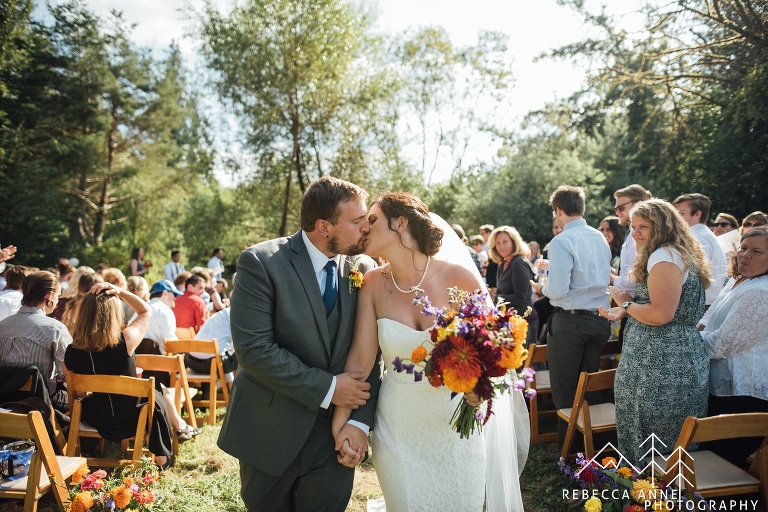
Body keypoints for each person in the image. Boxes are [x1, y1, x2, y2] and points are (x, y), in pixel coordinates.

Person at [333, 192, 527, 512]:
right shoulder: (371, 284)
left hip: (456, 430)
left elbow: (492, 350)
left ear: (401, 222)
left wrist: (478, 388)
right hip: (398, 430)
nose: (364, 228)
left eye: (373, 220)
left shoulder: (459, 278)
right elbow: (360, 363)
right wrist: (342, 424)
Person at [217, 176, 376, 511]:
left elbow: (373, 352)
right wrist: (330, 388)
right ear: (324, 227)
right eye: (357, 220)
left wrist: (359, 422)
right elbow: (254, 351)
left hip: (334, 436)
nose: (367, 226)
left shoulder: (364, 267)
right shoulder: (261, 263)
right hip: (270, 430)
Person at [600, 199, 711, 464]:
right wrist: (627, 311)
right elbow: (667, 306)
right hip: (675, 351)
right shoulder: (677, 253)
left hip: (659, 357)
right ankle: (664, 486)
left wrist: (626, 303)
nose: (635, 232)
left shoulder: (664, 257)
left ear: (662, 227)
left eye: (644, 227)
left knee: (652, 428)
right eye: (633, 226)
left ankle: (649, 486)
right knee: (670, 430)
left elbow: (662, 315)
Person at [64, 282, 199, 469]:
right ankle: (162, 457)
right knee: (155, 396)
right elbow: (145, 311)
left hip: (96, 417)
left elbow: (78, 394)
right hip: (132, 418)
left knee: (155, 393)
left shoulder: (71, 352)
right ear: (113, 315)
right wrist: (120, 291)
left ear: (82, 316)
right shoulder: (125, 341)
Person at [530, 185, 612, 453]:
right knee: (590, 385)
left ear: (558, 210)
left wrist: (540, 288)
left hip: (571, 323)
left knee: (565, 390)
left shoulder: (561, 241)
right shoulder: (599, 237)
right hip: (599, 320)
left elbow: (558, 290)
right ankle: (596, 449)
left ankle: (570, 454)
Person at [698, 226, 768, 466]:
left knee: (723, 463)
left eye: (756, 251)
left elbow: (722, 344)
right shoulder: (740, 280)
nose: (745, 255)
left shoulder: (761, 291)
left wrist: (683, 341)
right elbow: (709, 320)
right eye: (743, 247)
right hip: (724, 386)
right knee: (712, 457)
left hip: (744, 393)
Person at [0, 271, 71, 412]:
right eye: (58, 295)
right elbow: (67, 373)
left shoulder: (3, 325)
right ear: (49, 296)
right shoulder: (55, 329)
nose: (57, 300)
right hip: (41, 402)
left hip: (5, 399)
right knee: (86, 400)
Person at [673, 193, 727, 308]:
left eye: (682, 213)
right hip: (702, 302)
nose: (676, 217)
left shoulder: (698, 238)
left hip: (700, 304)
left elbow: (693, 277)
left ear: (697, 214)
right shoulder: (701, 234)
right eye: (675, 213)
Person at [489, 226, 539, 346]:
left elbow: (520, 297)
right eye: (498, 243)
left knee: (523, 358)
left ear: (514, 242)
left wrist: (496, 298)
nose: (501, 246)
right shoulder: (502, 264)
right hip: (509, 321)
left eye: (505, 242)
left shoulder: (518, 263)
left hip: (524, 322)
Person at [610, 184, 653, 296]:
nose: (617, 212)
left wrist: (612, 279)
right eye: (616, 209)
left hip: (638, 302)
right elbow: (629, 271)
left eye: (621, 208)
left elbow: (637, 278)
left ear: (638, 204)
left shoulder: (641, 236)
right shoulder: (631, 233)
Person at [131, 279, 182, 355]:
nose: (175, 298)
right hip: (158, 360)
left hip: (136, 358)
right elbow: (169, 343)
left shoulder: (140, 309)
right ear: (165, 293)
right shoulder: (166, 311)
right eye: (174, 294)